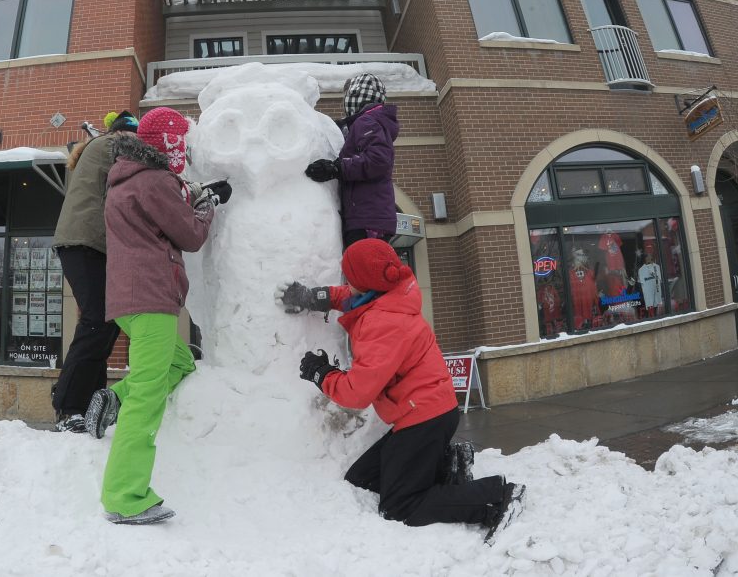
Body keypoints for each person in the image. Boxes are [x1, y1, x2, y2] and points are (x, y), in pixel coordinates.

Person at [277, 239, 525, 542]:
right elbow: (352, 296)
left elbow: (357, 394)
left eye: (349, 277)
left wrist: (322, 374)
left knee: (399, 506)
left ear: (364, 281)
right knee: (362, 478)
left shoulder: (383, 323)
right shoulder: (390, 291)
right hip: (425, 411)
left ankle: (495, 498)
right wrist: (316, 297)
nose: (346, 284)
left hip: (424, 418)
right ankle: (447, 466)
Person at [85, 106, 231, 525]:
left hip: (130, 300)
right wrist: (209, 204)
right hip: (151, 298)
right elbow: (190, 233)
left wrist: (193, 194)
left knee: (180, 363)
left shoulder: (129, 178)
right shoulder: (155, 181)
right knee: (147, 398)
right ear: (169, 143)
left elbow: (167, 211)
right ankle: (125, 497)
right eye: (181, 140)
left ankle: (115, 398)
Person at [49, 110, 140, 433]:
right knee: (97, 321)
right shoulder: (113, 145)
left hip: (88, 244)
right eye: (137, 135)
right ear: (125, 133)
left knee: (104, 322)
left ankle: (88, 402)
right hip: (86, 242)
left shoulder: (102, 147)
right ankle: (68, 406)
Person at [305, 72, 400, 247]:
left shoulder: (367, 122)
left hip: (367, 218)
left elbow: (378, 159)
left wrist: (337, 168)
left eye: (347, 95)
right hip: (369, 217)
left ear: (357, 95)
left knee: (363, 263)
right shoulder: (369, 123)